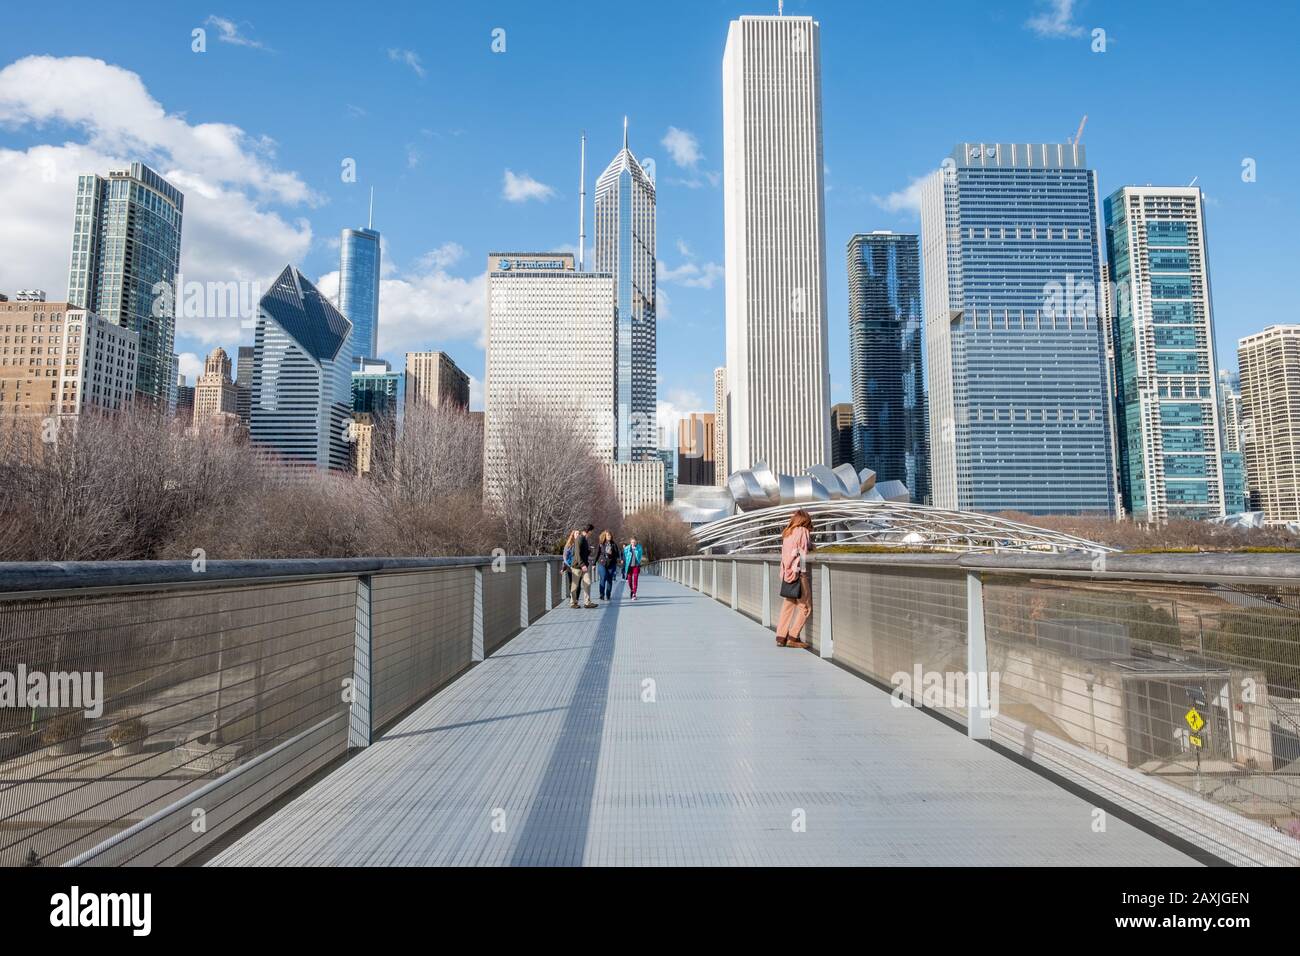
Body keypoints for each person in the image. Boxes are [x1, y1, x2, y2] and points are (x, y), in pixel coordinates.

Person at [775, 509, 814, 648]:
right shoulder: (802, 531)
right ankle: (793, 637)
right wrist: (803, 573)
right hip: (798, 573)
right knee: (805, 607)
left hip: (787, 573)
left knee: (788, 606)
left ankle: (780, 637)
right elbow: (802, 553)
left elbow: (789, 553)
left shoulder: (787, 533)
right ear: (805, 521)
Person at [570, 526, 596, 609]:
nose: (592, 533)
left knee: (587, 582)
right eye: (591, 531)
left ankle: (587, 602)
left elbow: (583, 553)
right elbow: (577, 554)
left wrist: (589, 551)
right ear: (588, 531)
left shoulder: (585, 539)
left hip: (584, 566)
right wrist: (582, 565)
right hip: (577, 566)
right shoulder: (579, 538)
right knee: (575, 585)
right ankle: (573, 603)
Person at [596, 530, 619, 602]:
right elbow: (597, 553)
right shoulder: (601, 544)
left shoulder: (614, 544)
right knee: (603, 578)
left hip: (611, 564)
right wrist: (594, 563)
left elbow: (617, 555)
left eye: (610, 535)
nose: (609, 536)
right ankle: (601, 594)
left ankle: (608, 594)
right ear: (605, 536)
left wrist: (611, 553)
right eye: (607, 535)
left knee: (609, 580)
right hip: (602, 563)